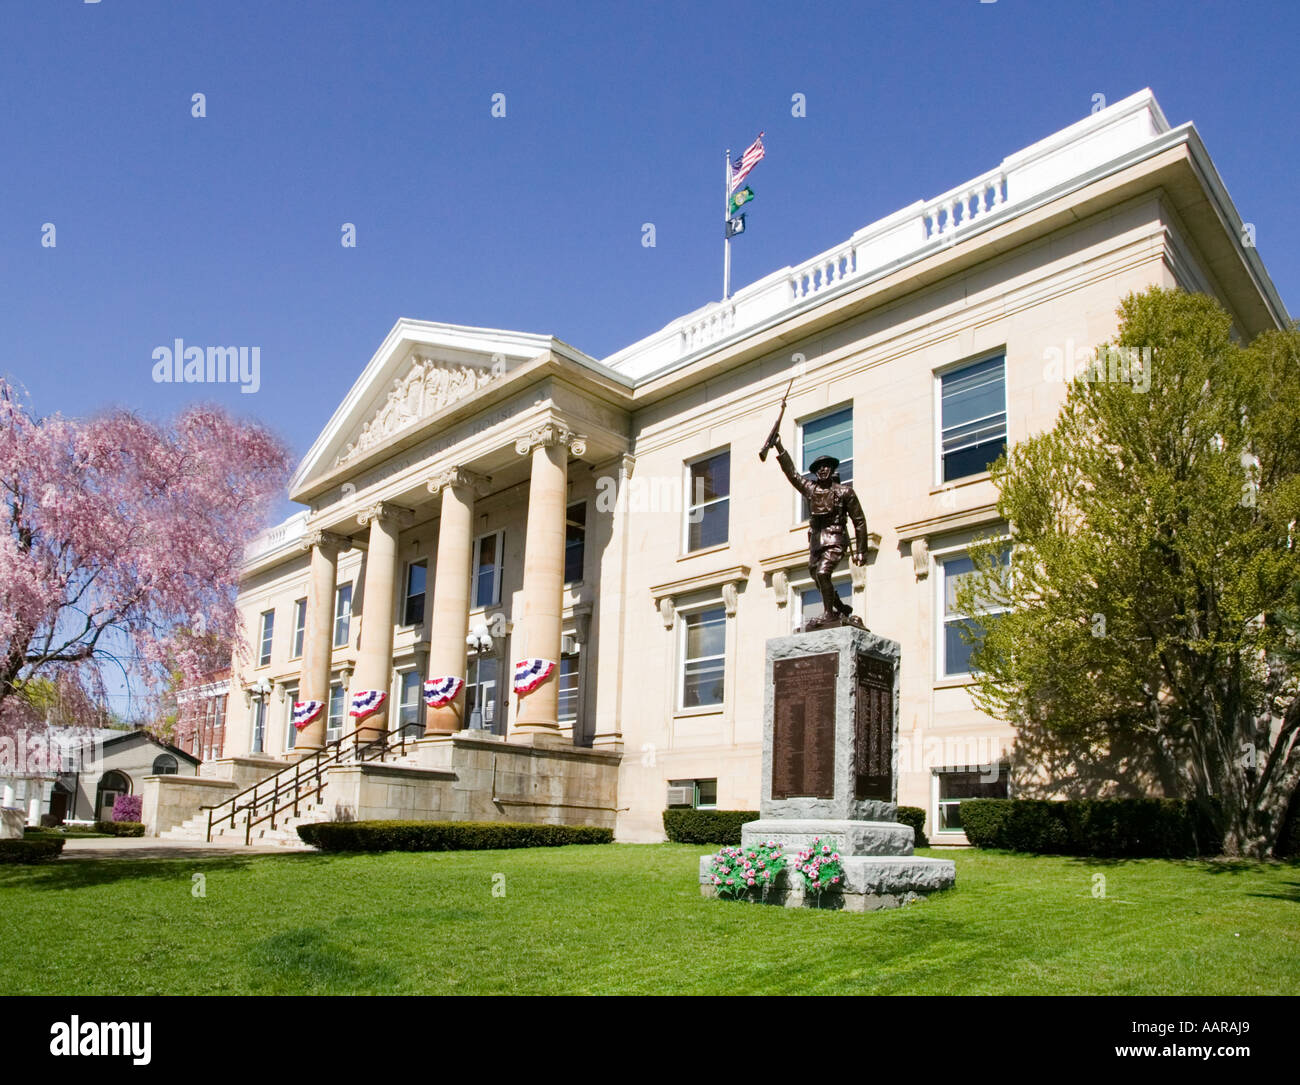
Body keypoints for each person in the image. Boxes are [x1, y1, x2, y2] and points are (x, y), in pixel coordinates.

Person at [771, 434, 868, 628]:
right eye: (818, 468)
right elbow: (792, 474)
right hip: (817, 542)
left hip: (836, 539)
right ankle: (839, 607)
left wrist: (861, 550)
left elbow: (859, 521)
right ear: (815, 473)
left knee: (823, 574)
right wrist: (779, 447)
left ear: (832, 469)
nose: (823, 470)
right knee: (816, 575)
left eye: (826, 466)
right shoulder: (811, 489)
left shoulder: (844, 492)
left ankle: (828, 614)